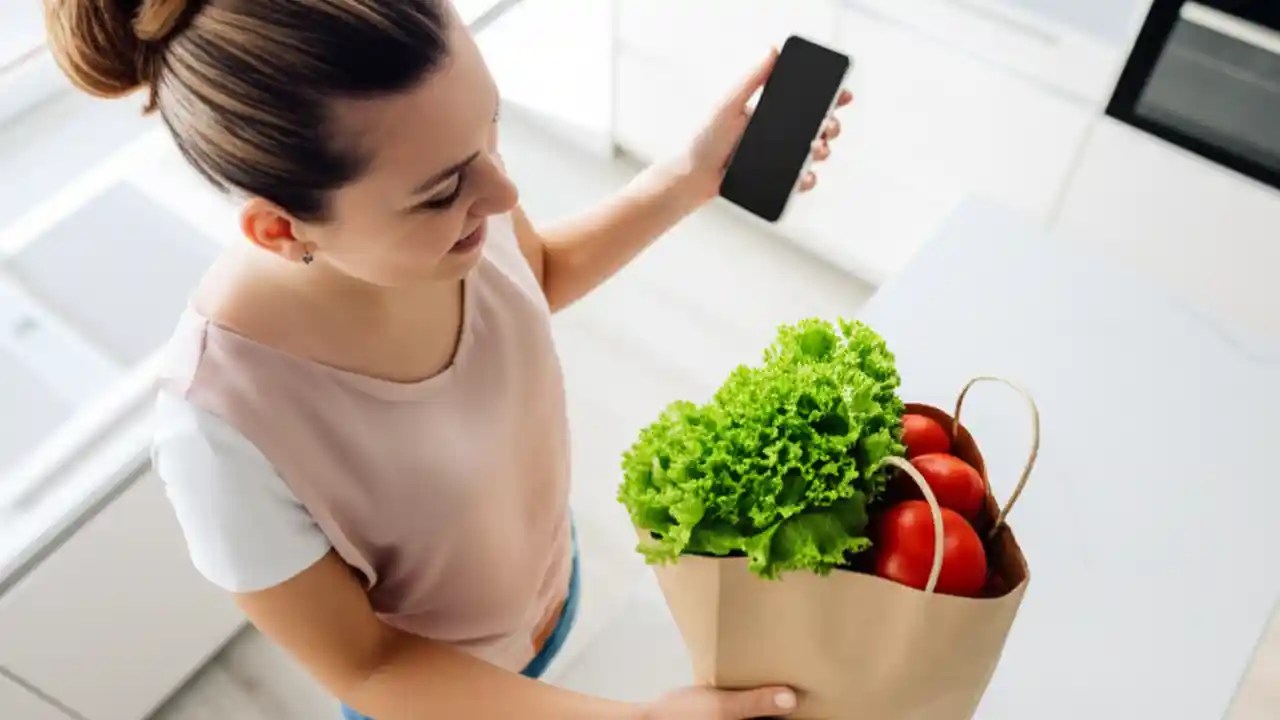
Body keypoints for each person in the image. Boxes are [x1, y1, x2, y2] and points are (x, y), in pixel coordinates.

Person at [45, 1, 850, 717]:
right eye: (439, 191)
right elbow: (373, 665)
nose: (501, 194)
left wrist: (687, 178)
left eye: (490, 128)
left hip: (548, 586)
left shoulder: (460, 190)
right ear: (281, 230)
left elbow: (529, 279)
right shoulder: (220, 431)